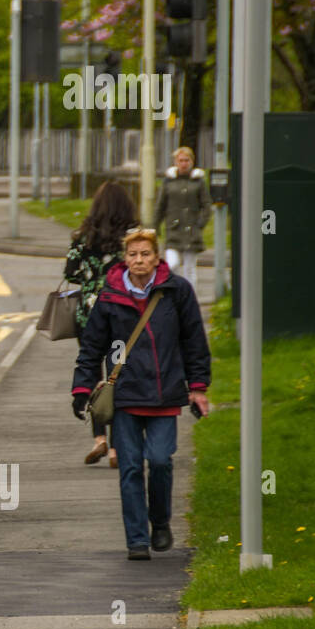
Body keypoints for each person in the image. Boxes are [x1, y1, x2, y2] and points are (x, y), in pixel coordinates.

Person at [71, 227, 211, 560]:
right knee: (131, 468)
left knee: (161, 462)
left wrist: (198, 387)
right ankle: (136, 540)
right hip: (126, 396)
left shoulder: (177, 291)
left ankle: (160, 523)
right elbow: (92, 346)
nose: (139, 260)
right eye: (132, 254)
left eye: (145, 254)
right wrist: (81, 388)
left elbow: (194, 342)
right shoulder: (109, 297)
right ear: (125, 258)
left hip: (165, 395)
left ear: (157, 257)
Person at [64, 181, 138, 468]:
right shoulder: (133, 237)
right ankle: (117, 448)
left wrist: (90, 279)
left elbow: (69, 272)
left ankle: (99, 439)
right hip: (122, 313)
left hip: (88, 316)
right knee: (118, 376)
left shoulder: (84, 236)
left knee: (93, 374)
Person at [154, 146, 211, 293]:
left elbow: (206, 205)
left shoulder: (198, 181)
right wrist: (155, 226)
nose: (184, 163)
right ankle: (172, 294)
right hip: (173, 230)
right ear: (175, 162)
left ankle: (190, 298)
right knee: (171, 264)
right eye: (180, 160)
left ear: (192, 161)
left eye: (186, 160)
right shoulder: (168, 181)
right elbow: (160, 205)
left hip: (192, 232)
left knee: (190, 268)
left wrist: (200, 223)